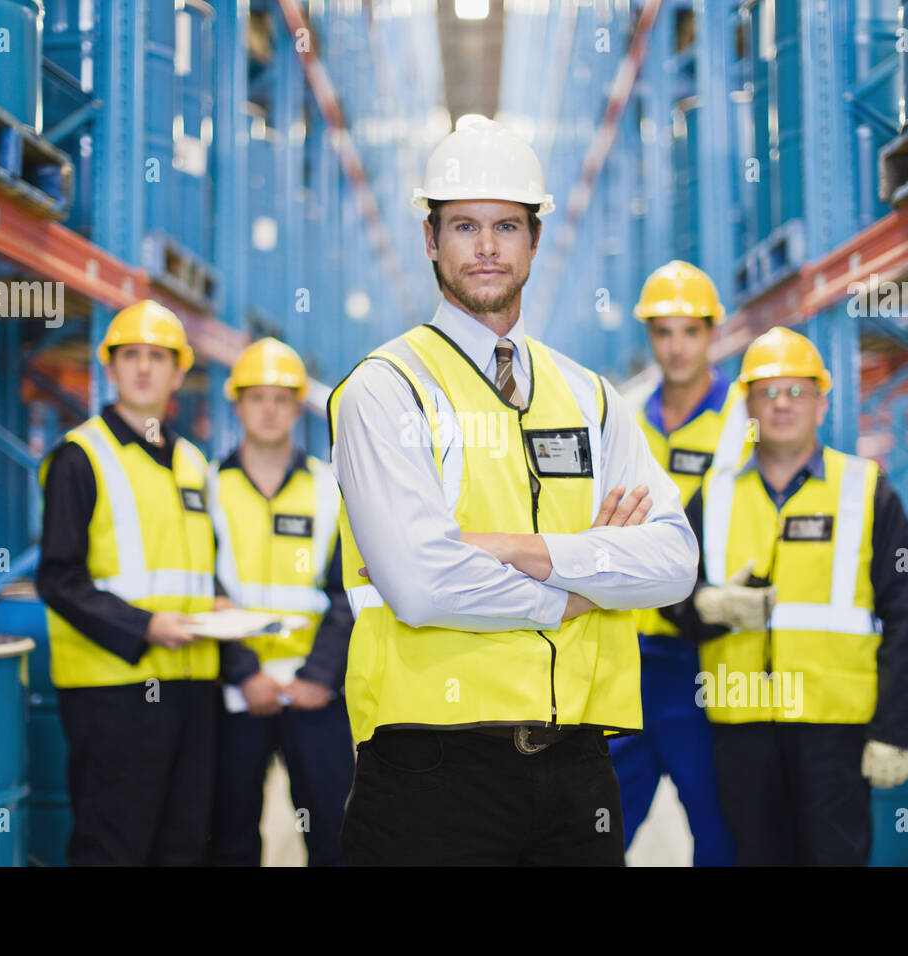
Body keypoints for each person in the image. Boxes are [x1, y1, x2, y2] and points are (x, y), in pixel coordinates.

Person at [327, 117, 699, 866]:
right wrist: (587, 584)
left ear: (535, 240)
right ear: (431, 239)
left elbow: (673, 564)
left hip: (577, 766)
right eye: (464, 225)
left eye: (507, 225)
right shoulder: (386, 390)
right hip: (430, 768)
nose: (487, 246)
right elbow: (422, 585)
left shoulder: (590, 396)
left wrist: (515, 550)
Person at [668, 326, 908, 866]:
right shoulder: (712, 497)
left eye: (797, 390)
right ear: (748, 404)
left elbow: (906, 617)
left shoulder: (865, 489)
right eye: (768, 391)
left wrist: (898, 732)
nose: (782, 403)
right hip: (743, 728)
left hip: (834, 730)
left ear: (822, 402)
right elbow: (668, 594)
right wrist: (705, 606)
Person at [35, 299, 221, 866]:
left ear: (178, 373)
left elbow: (184, 565)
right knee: (113, 846)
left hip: (192, 685)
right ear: (109, 369)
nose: (144, 367)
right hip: (114, 690)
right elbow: (58, 578)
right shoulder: (81, 457)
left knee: (184, 844)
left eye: (158, 356)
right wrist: (145, 627)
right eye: (130, 356)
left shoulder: (192, 462)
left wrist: (212, 603)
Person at [611, 260, 748, 864]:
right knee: (600, 825)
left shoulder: (745, 422)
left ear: (712, 332)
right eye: (663, 332)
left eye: (689, 331)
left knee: (716, 826)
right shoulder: (628, 420)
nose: (675, 347)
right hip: (628, 658)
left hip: (705, 661)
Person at [206, 338, 354, 867]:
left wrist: (319, 677)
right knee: (229, 837)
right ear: (237, 404)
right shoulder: (206, 489)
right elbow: (204, 591)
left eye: (281, 397)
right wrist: (245, 672)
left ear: (297, 407)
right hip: (238, 695)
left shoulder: (330, 488)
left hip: (315, 696)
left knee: (335, 837)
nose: (269, 408)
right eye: (256, 396)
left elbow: (349, 591)